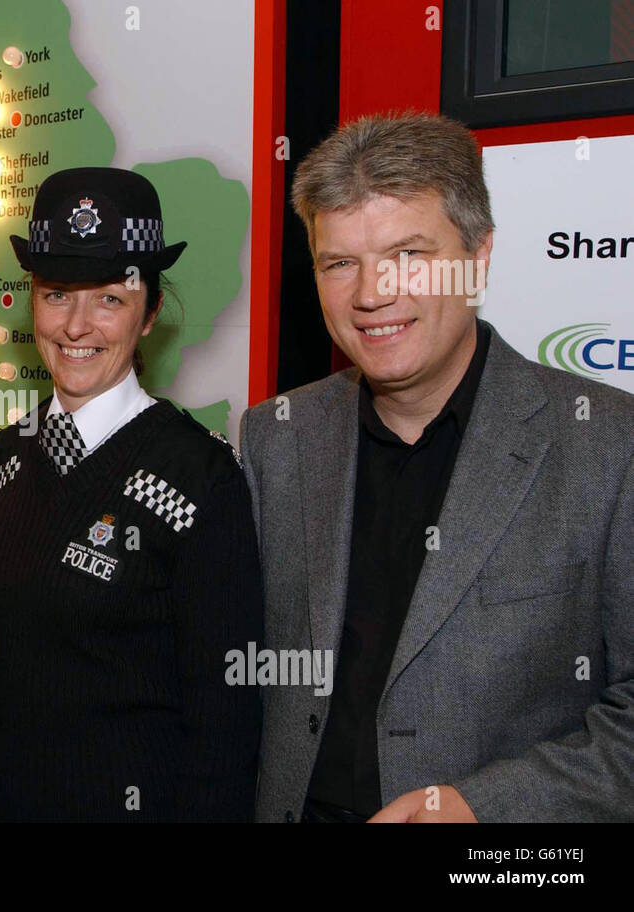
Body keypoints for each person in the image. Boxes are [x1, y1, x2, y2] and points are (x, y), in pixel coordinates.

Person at [241, 112, 634, 823]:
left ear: (478, 258)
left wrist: (484, 808)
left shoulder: (609, 447)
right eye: (339, 263)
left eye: (409, 255)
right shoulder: (277, 437)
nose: (371, 294)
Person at [0, 167, 264, 821]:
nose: (76, 325)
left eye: (109, 299)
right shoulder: (4, 460)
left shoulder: (202, 479)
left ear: (151, 312)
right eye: (57, 293)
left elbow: (225, 728)